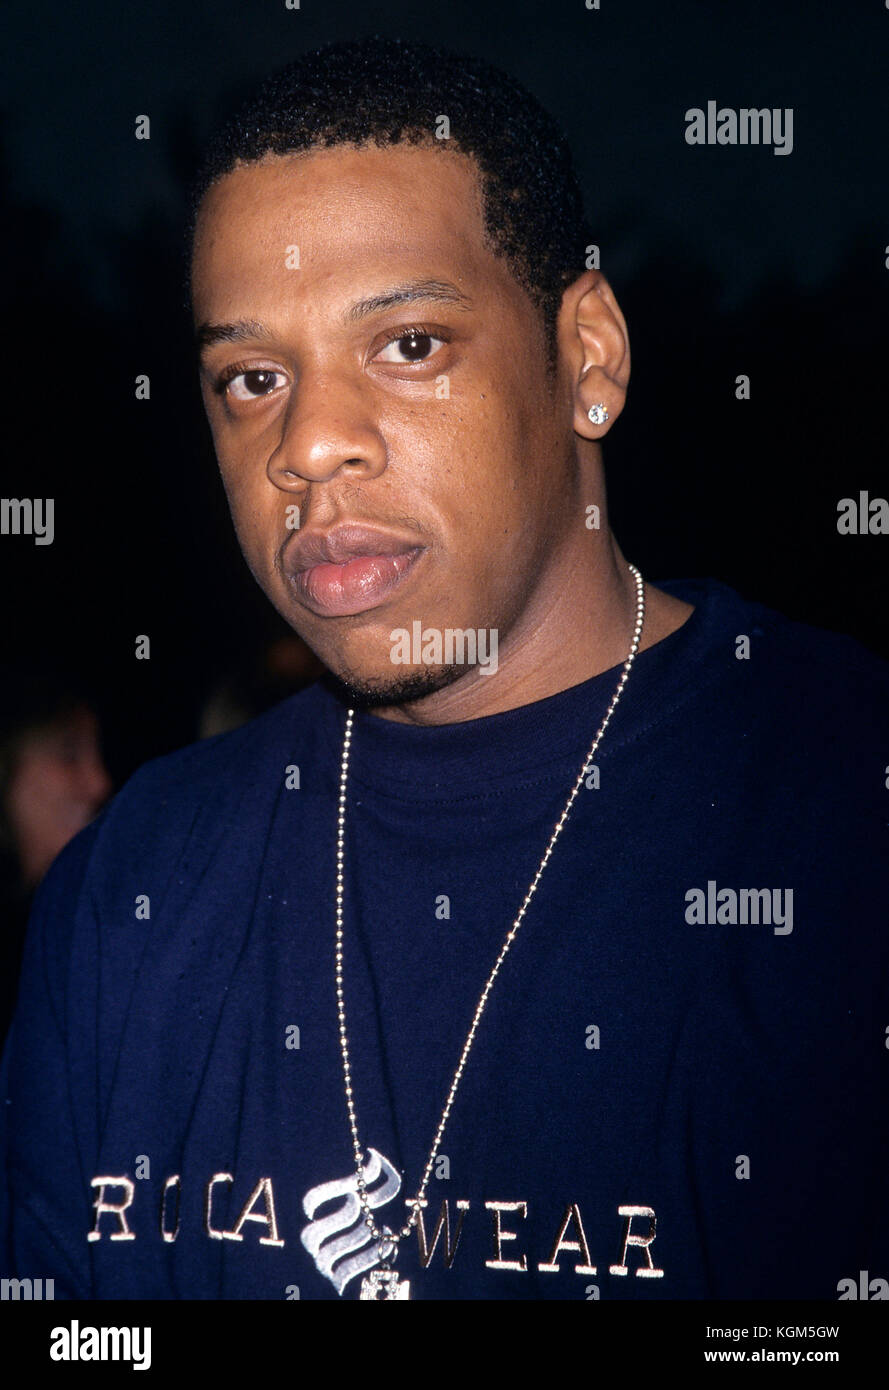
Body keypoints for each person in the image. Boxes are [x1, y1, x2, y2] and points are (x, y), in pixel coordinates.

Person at [2, 36, 886, 1302]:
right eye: (252, 377)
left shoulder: (843, 819)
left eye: (408, 345)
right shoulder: (128, 887)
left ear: (586, 357)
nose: (308, 444)